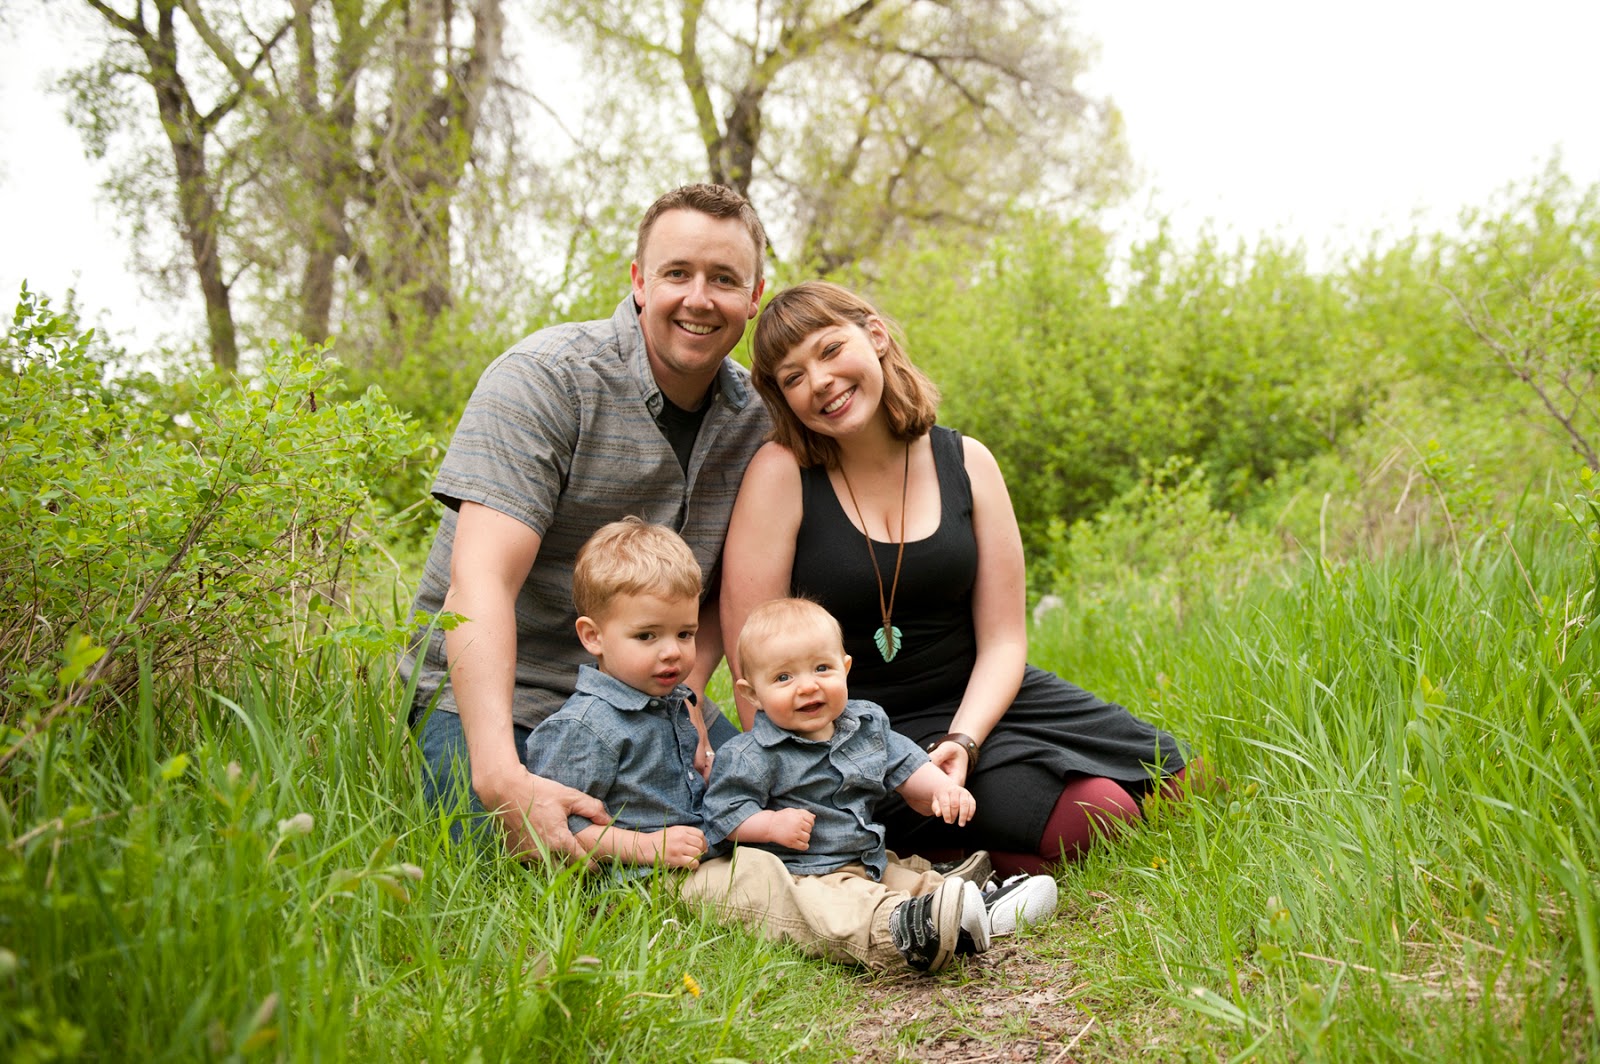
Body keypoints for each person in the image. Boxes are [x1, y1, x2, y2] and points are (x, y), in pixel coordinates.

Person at [721, 280, 1208, 880]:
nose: (818, 382)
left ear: (874, 336)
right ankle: (944, 852)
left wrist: (967, 739)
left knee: (1183, 779)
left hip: (987, 697)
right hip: (862, 731)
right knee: (1099, 813)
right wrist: (808, 775)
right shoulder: (780, 475)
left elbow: (1004, 640)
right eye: (792, 378)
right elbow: (754, 663)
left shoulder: (967, 461)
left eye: (828, 350)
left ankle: (991, 828)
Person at [400, 183, 772, 863]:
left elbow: (725, 594)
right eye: (677, 273)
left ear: (754, 296)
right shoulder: (543, 380)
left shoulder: (758, 423)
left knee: (767, 813)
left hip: (650, 691)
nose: (699, 297)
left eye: (724, 279)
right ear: (637, 281)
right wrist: (498, 774)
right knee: (519, 864)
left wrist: (687, 698)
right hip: (502, 695)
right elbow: (478, 582)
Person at [527, 520, 1006, 974]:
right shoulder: (585, 726)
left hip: (702, 853)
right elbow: (556, 829)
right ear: (593, 636)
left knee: (783, 867)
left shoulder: (668, 703)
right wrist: (646, 846)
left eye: (684, 633)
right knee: (763, 887)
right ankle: (892, 929)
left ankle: (960, 901)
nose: (671, 651)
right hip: (640, 882)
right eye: (647, 636)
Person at [704, 596, 1060, 948]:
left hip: (868, 857)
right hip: (810, 873)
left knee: (910, 879)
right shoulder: (752, 756)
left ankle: (980, 906)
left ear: (845, 668)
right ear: (752, 694)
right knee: (865, 903)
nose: (808, 685)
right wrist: (770, 825)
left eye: (821, 669)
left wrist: (942, 789)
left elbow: (903, 762)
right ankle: (937, 921)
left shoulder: (865, 726)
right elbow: (723, 813)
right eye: (784, 677)